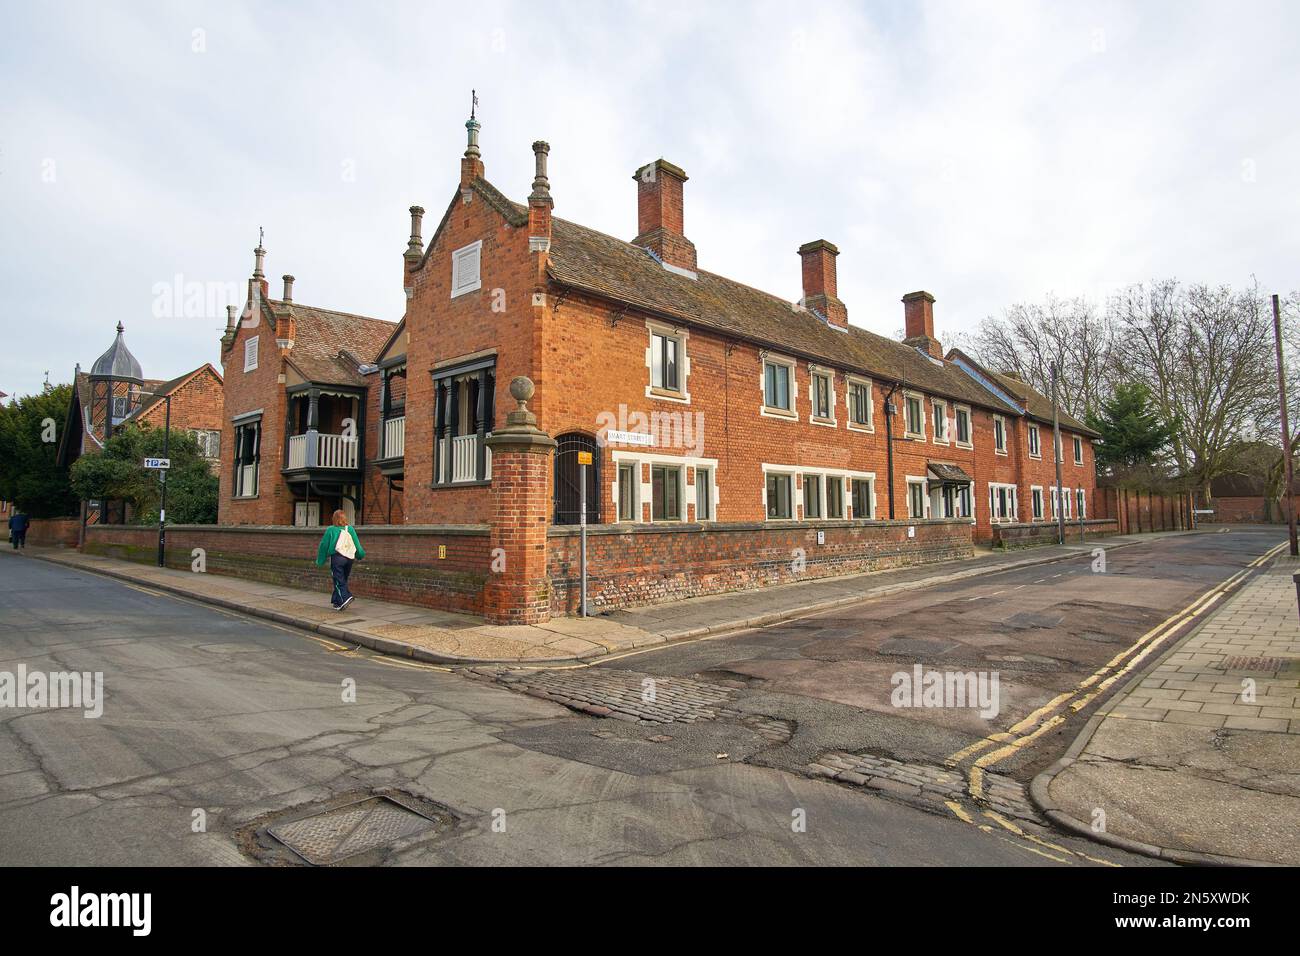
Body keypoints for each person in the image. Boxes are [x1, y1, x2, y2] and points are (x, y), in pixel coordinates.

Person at [315, 510, 364, 610]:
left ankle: (346, 597)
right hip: (349, 558)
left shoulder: (331, 530)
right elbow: (356, 544)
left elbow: (323, 546)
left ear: (334, 519)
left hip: (337, 558)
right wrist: (360, 555)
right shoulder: (350, 529)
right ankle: (336, 601)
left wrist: (320, 560)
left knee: (338, 580)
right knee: (342, 579)